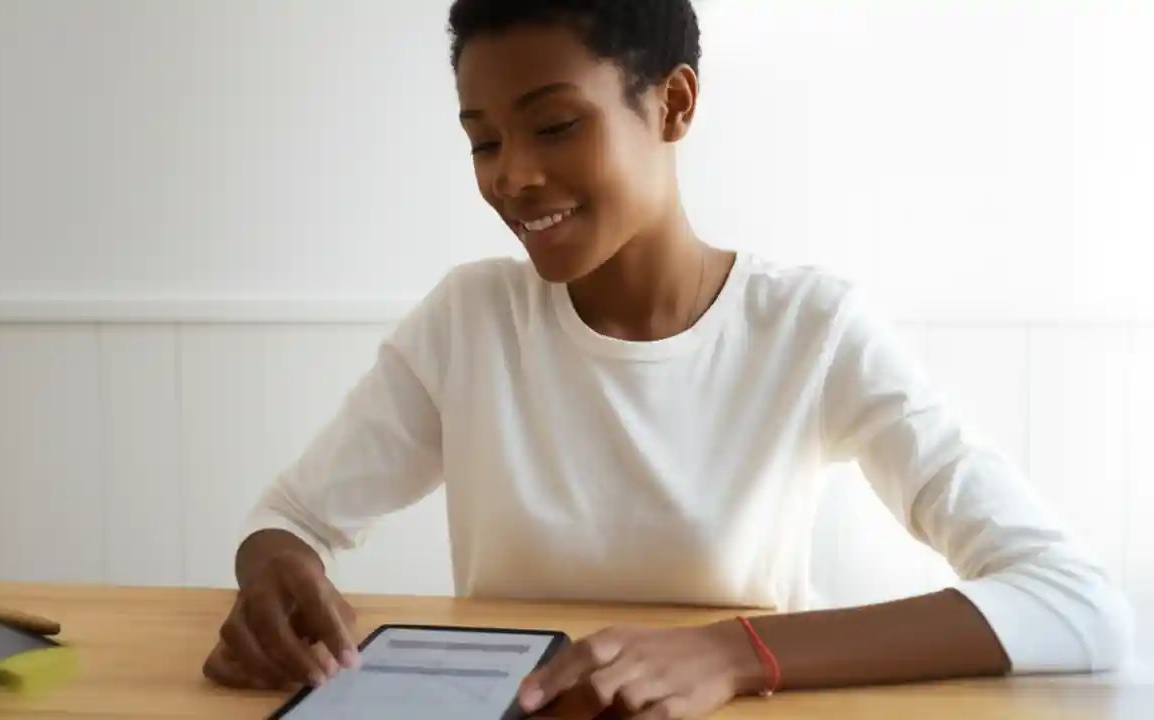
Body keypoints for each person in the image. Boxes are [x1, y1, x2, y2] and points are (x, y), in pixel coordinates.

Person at [202, 0, 1133, 716]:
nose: (511, 175)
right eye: (483, 140)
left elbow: (1074, 603)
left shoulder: (809, 329)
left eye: (554, 126)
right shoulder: (469, 321)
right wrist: (274, 574)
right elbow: (290, 521)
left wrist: (734, 653)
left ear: (674, 104)